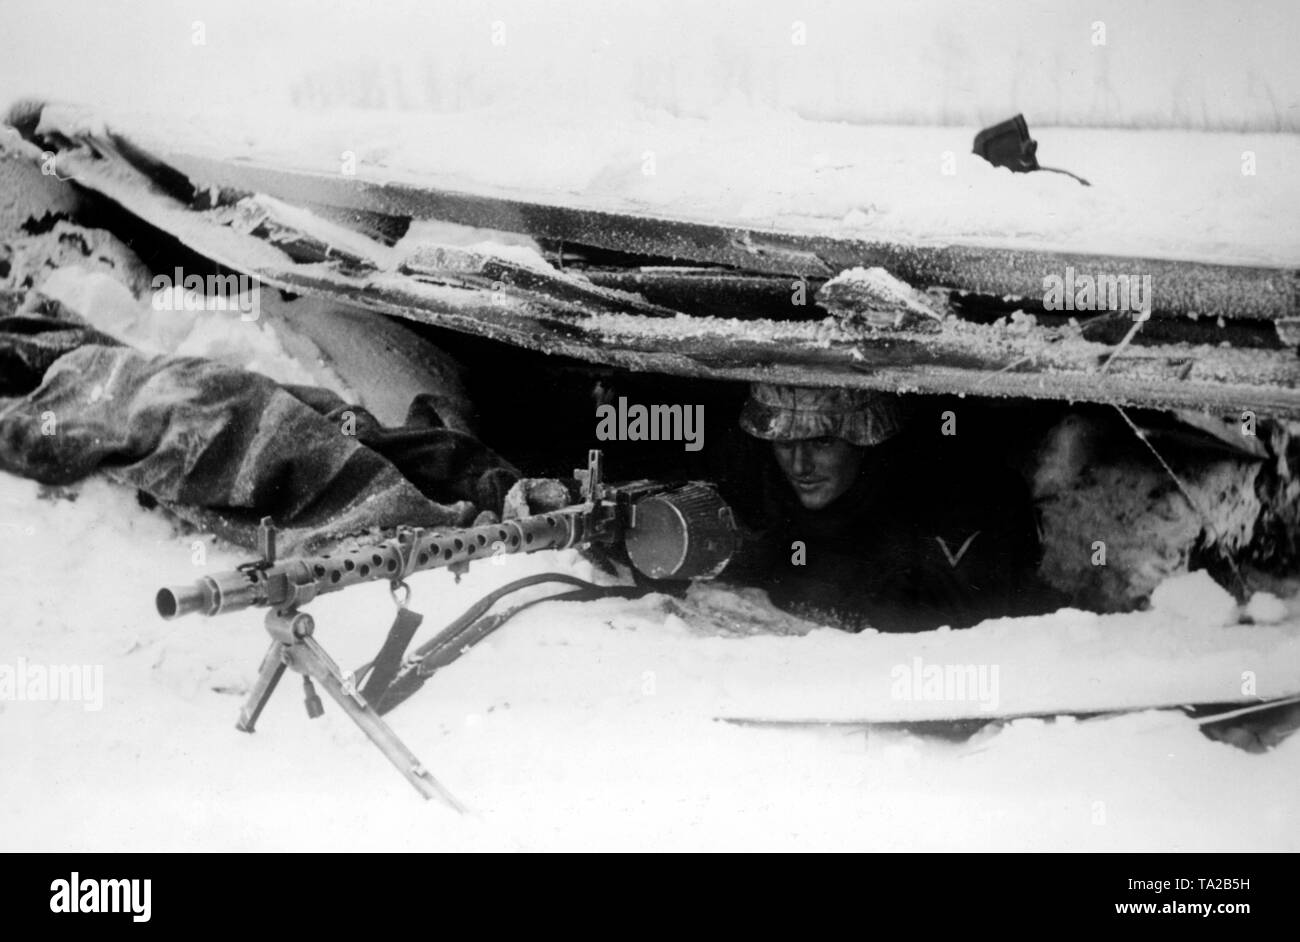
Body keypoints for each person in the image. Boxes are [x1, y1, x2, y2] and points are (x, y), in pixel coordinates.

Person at [722, 382, 1044, 632]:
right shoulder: (764, 496)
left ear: (867, 439)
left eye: (822, 441)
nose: (800, 466)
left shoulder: (948, 504)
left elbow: (953, 642)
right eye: (785, 443)